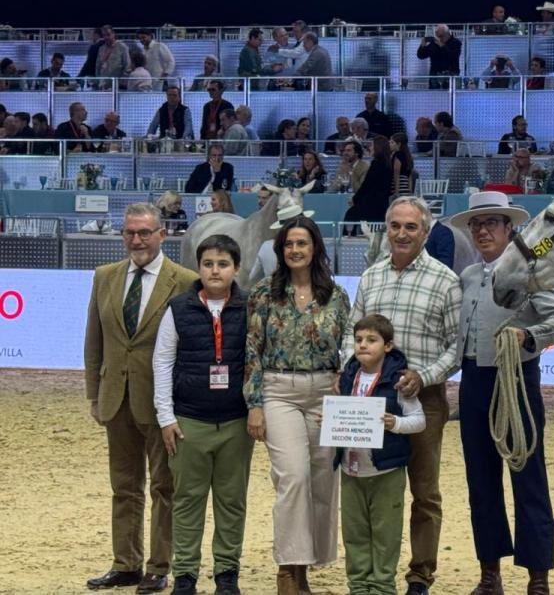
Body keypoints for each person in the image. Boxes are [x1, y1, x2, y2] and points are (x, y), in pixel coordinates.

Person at [448, 191, 554, 595]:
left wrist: (528, 336)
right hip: (474, 381)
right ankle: (490, 575)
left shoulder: (528, 272)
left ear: (508, 229)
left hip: (516, 380)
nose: (483, 231)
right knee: (480, 481)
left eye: (491, 223)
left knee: (528, 477)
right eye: (477, 224)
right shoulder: (467, 277)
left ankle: (538, 577)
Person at [346, 196, 462, 595]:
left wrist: (423, 376)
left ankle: (419, 575)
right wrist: (350, 373)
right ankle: (373, 575)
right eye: (395, 225)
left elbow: (456, 346)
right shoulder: (370, 277)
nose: (401, 233)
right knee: (372, 486)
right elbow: (351, 334)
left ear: (425, 232)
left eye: (411, 227)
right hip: (372, 403)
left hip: (423, 399)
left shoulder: (445, 281)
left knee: (424, 492)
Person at [84, 202, 200, 594]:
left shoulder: (184, 281)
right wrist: (94, 394)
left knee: (164, 487)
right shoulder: (105, 277)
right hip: (115, 398)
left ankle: (158, 566)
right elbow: (94, 340)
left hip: (162, 403)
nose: (137, 240)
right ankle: (126, 564)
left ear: (162, 234)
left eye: (145, 233)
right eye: (130, 233)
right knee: (124, 486)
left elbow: (192, 346)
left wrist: (182, 403)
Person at [244, 215, 350, 595]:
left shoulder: (336, 296)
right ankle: (288, 571)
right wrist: (255, 403)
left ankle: (307, 567)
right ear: (280, 249)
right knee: (293, 477)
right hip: (279, 391)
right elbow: (252, 350)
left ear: (315, 247)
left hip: (325, 393)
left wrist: (346, 378)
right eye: (288, 244)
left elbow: (348, 345)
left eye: (301, 243)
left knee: (323, 481)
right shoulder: (263, 293)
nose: (294, 250)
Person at [151, 235, 253, 595]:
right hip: (189, 422)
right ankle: (185, 574)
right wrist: (166, 417)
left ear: (236, 268)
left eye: (223, 264)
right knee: (187, 500)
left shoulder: (250, 308)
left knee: (232, 501)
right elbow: (162, 362)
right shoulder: (178, 309)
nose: (215, 271)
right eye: (208, 264)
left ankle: (227, 573)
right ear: (198, 268)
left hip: (236, 423)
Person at [335, 314, 427, 595]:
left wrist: (395, 423)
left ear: (388, 346)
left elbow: (419, 420)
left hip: (386, 470)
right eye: (358, 340)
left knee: (386, 534)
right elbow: (340, 413)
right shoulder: (347, 377)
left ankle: (383, 587)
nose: (363, 345)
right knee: (354, 533)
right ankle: (358, 587)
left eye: (371, 340)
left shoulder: (399, 381)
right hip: (351, 469)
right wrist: (330, 422)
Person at [344, 136, 394, 226]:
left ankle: (349, 234)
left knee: (350, 214)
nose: (369, 148)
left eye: (371, 145)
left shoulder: (376, 164)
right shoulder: (388, 164)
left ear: (377, 147)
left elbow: (366, 185)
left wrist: (355, 199)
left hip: (372, 204)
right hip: (382, 204)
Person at [415, 25, 462, 90]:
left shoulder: (456, 42)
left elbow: (454, 56)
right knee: (434, 95)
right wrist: (422, 45)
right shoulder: (434, 44)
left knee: (451, 94)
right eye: (436, 35)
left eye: (440, 36)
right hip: (435, 76)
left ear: (447, 34)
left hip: (451, 74)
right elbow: (421, 55)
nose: (439, 38)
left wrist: (442, 46)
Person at [391, 132, 416, 197]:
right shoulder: (408, 156)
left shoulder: (397, 155)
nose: (390, 145)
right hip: (406, 187)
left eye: (392, 142)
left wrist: (396, 192)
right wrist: (410, 191)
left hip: (399, 187)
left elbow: (396, 174)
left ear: (399, 144)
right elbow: (410, 175)